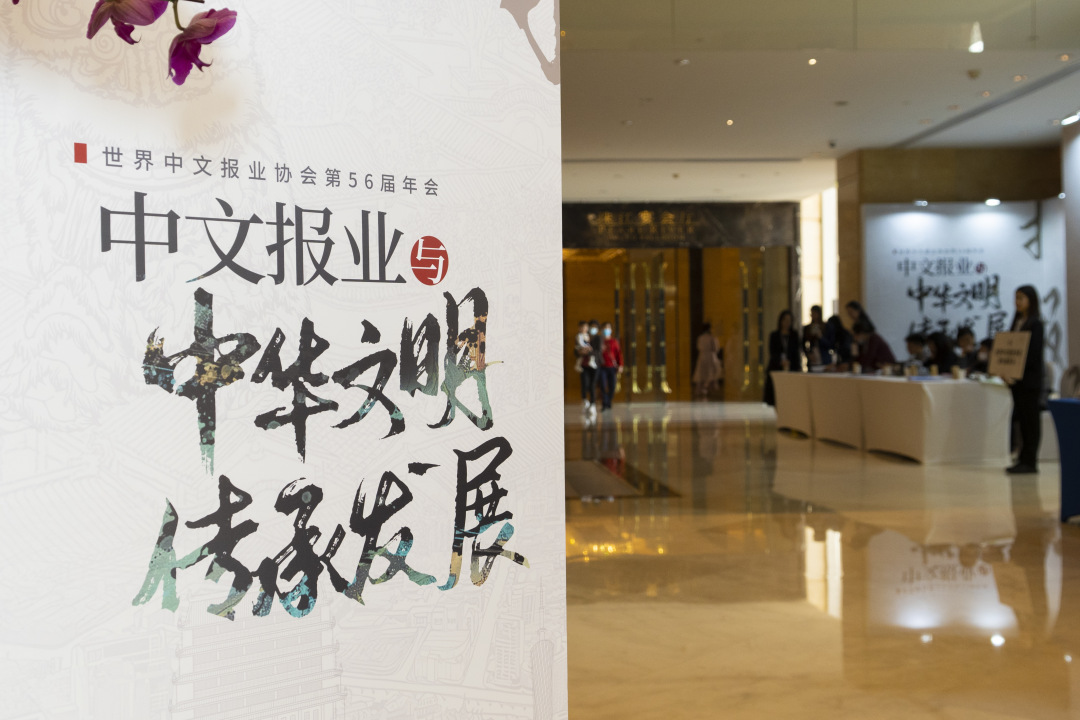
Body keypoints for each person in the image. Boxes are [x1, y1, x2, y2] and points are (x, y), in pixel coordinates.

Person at [1006, 285, 1044, 474]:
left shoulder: (1035, 324)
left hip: (1029, 380)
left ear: (1031, 300)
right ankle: (1022, 457)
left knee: (1030, 421)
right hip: (1016, 380)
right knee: (1021, 419)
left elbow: (1033, 353)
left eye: (1021, 298)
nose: (1018, 302)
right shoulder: (1017, 322)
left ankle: (1030, 460)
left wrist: (1017, 368)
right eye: (1016, 298)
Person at [763, 310, 802, 406]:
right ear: (781, 321)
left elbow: (796, 353)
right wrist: (781, 361)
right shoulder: (774, 335)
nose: (787, 323)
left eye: (789, 320)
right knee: (775, 396)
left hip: (791, 368)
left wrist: (794, 365)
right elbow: (772, 352)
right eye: (785, 320)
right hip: (777, 367)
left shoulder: (794, 335)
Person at [598, 322, 623, 411]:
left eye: (608, 328)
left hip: (612, 367)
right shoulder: (599, 341)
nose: (606, 330)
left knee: (612, 386)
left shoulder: (614, 341)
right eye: (604, 328)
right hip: (601, 367)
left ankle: (608, 400)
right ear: (601, 330)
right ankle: (604, 402)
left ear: (611, 330)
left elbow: (618, 354)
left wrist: (620, 365)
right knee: (603, 385)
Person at [693, 322, 722, 398]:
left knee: (702, 373)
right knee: (711, 373)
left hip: (702, 356)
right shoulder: (712, 338)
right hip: (710, 357)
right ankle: (707, 388)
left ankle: (702, 388)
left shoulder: (700, 338)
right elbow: (716, 348)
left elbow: (699, 347)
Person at [574, 320, 597, 414]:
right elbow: (577, 349)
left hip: (594, 366)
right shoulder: (579, 336)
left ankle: (593, 404)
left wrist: (589, 351)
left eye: (586, 327)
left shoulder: (593, 337)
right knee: (585, 384)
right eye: (583, 327)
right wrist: (582, 351)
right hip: (584, 365)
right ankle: (585, 400)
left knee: (592, 385)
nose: (585, 329)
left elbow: (598, 350)